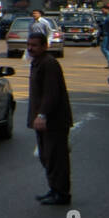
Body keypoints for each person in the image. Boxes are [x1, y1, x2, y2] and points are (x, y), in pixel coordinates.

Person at [27, 31, 72, 205]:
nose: (30, 48)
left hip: (54, 121)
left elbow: (51, 93)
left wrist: (42, 114)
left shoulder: (49, 64)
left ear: (45, 46)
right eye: (29, 45)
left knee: (56, 158)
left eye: (35, 45)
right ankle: (54, 189)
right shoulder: (37, 63)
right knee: (47, 157)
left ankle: (61, 193)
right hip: (43, 121)